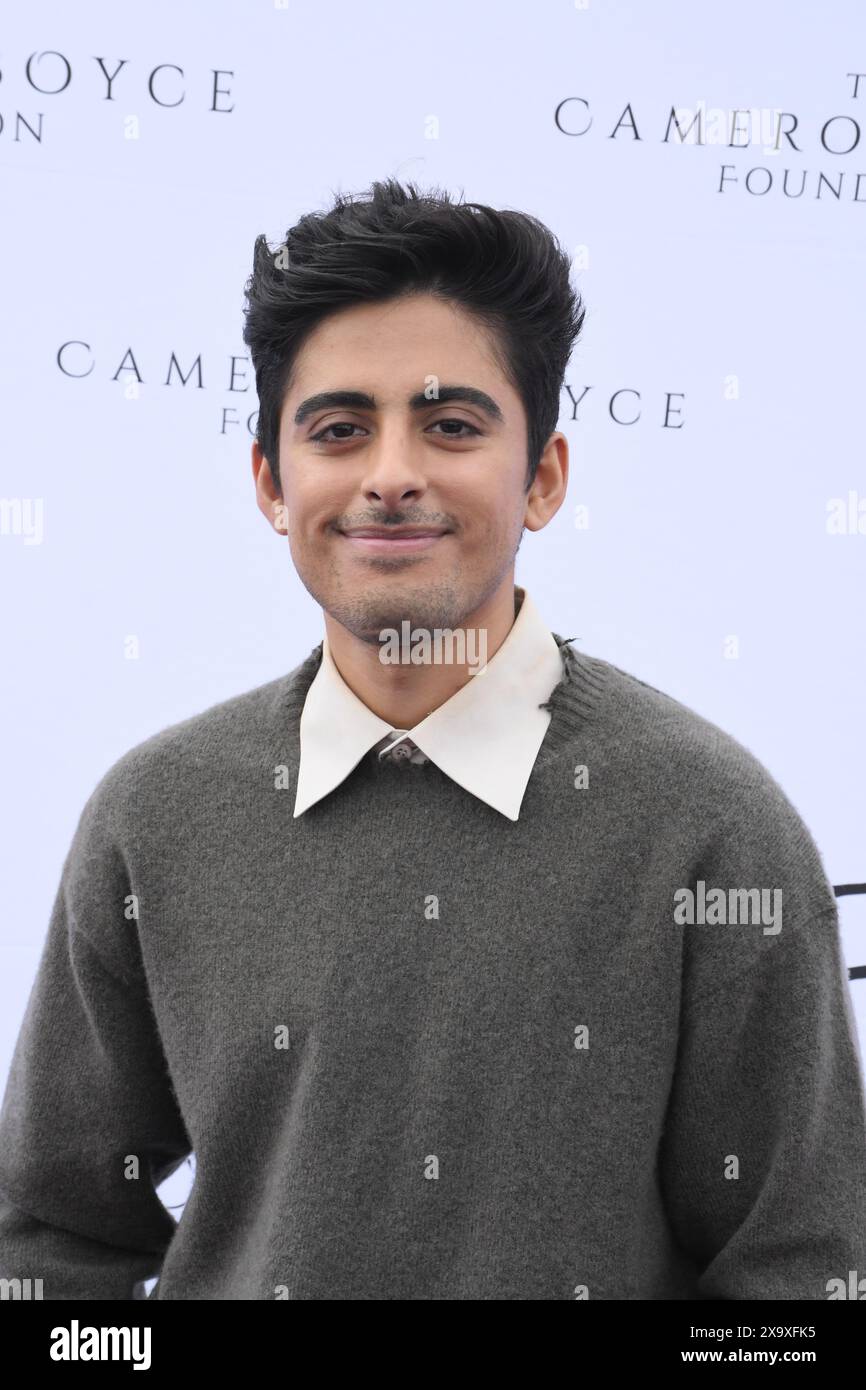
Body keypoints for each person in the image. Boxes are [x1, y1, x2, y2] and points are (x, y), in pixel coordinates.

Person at [1, 178, 864, 1300]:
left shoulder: (709, 823)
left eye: (449, 424)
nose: (391, 473)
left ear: (542, 477)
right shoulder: (155, 813)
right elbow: (50, 1241)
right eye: (339, 429)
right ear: (272, 481)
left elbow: (800, 1275)